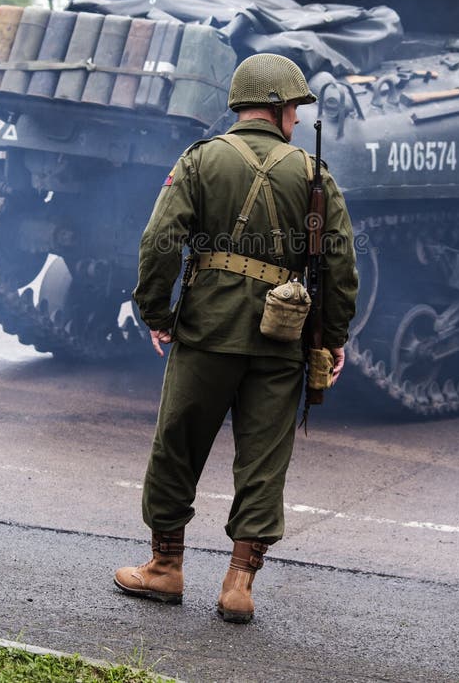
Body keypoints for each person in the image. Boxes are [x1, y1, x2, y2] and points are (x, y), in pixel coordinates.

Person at [114, 53, 358, 623]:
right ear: (279, 109)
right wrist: (333, 335)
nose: (297, 118)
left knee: (177, 444)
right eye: (294, 108)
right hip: (283, 338)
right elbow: (341, 265)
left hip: (206, 329)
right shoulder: (312, 173)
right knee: (264, 459)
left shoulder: (201, 160)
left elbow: (159, 241)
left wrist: (157, 311)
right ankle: (239, 584)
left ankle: (165, 568)